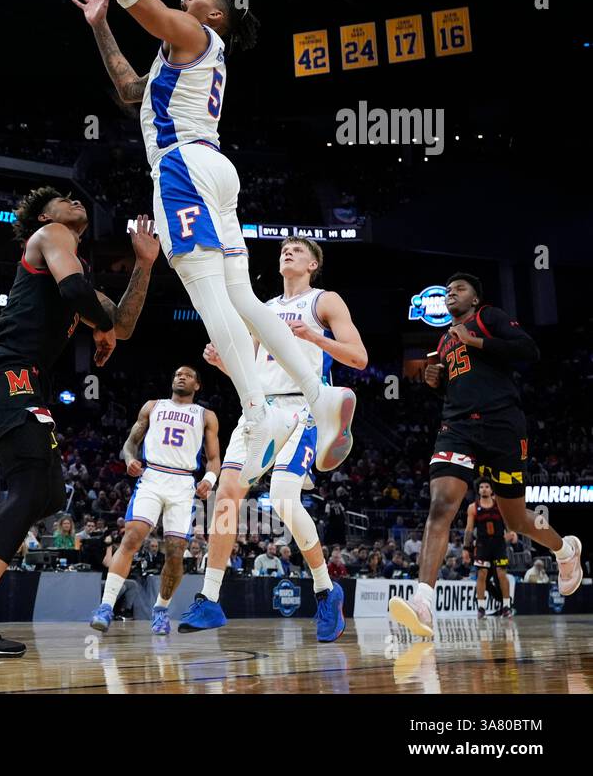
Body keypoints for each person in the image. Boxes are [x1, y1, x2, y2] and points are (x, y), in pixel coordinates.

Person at [79, 0, 356, 513]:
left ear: (217, 16)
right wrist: (98, 29)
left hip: (184, 169)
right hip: (211, 169)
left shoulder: (195, 34)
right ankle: (318, 398)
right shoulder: (190, 51)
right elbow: (127, 91)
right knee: (240, 297)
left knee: (211, 299)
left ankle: (257, 408)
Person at [0, 188, 157, 658]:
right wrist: (101, 324)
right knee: (29, 487)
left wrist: (144, 264)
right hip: (3, 366)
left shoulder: (77, 266)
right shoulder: (50, 235)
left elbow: (122, 324)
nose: (75, 201)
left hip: (25, 379)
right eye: (63, 199)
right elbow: (76, 296)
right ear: (45, 216)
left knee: (47, 494)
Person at [182, 238, 366, 643]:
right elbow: (249, 372)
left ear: (313, 263)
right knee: (227, 493)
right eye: (285, 249)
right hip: (260, 408)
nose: (288, 252)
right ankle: (210, 598)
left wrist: (315, 338)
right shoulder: (262, 310)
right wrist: (224, 364)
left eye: (298, 250)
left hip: (304, 406)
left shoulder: (324, 301)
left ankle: (325, 590)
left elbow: (359, 357)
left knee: (283, 498)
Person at [389, 273, 582, 637]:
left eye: (459, 289)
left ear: (475, 299)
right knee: (441, 505)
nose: (451, 294)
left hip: (502, 424)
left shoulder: (488, 318)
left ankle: (564, 549)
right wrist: (436, 382)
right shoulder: (445, 340)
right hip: (457, 427)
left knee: (518, 521)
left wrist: (476, 340)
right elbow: (455, 389)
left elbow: (529, 351)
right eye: (447, 290)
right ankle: (423, 602)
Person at [91, 365, 221, 636]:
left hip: (183, 483)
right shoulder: (153, 406)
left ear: (197, 385)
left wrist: (209, 479)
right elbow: (130, 443)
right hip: (152, 477)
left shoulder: (206, 415)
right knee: (131, 538)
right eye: (176, 374)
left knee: (175, 553)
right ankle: (105, 606)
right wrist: (129, 459)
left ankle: (161, 609)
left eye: (187, 375)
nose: (180, 377)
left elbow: (213, 459)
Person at [463, 480, 512, 618]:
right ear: (478, 490)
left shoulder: (501, 505)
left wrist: (512, 532)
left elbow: (508, 523)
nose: (484, 489)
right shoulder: (473, 507)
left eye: (487, 487)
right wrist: (466, 548)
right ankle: (481, 608)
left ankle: (507, 606)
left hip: (499, 543)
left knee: (502, 574)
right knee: (482, 575)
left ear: (491, 490)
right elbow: (469, 529)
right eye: (481, 487)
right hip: (482, 544)